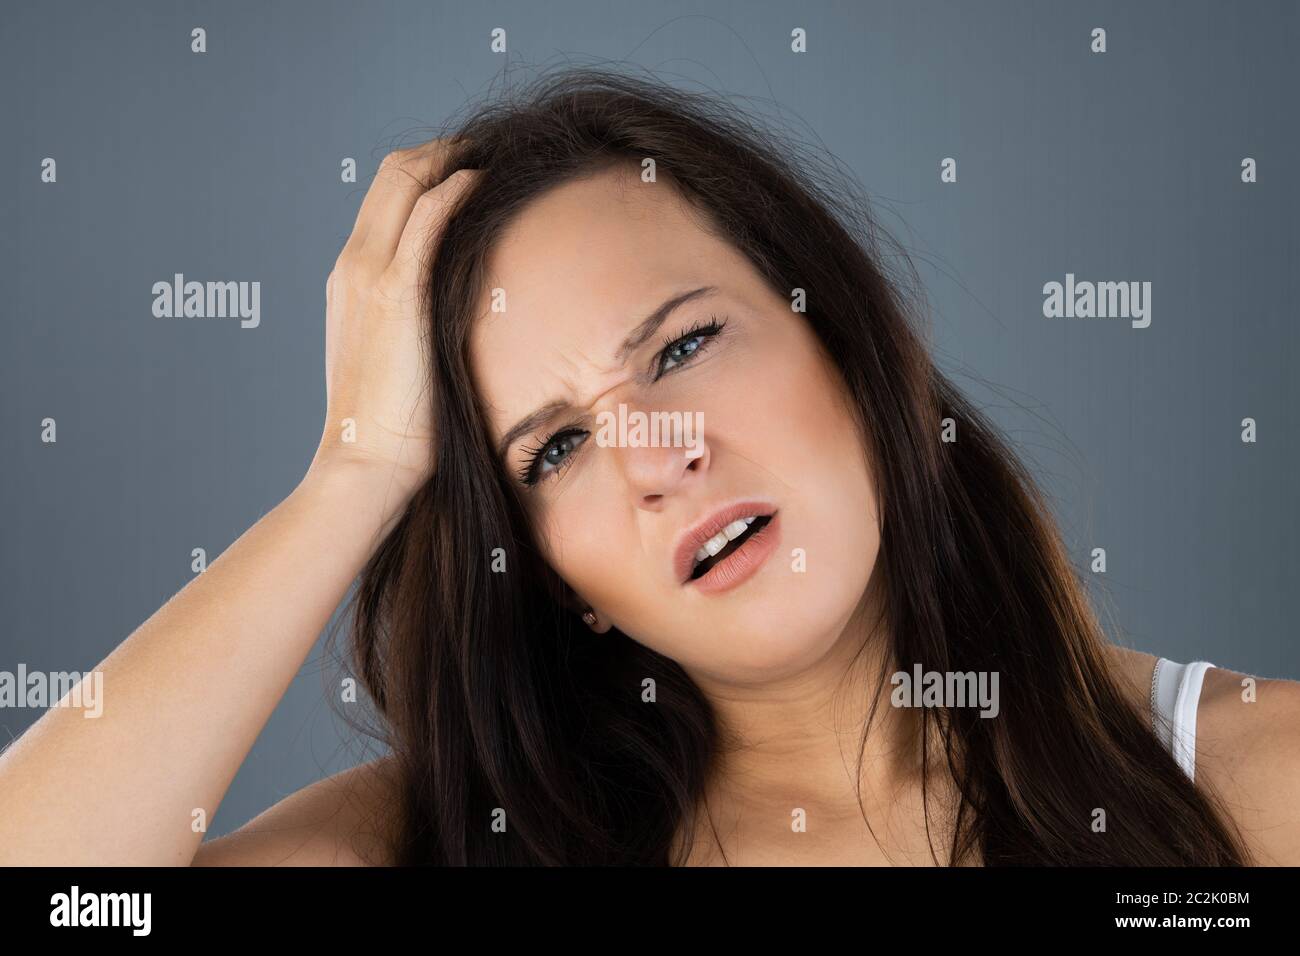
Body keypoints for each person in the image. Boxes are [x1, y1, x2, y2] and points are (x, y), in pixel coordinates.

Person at [2, 68, 1297, 866]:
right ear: (553, 572)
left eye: (679, 346)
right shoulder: (445, 844)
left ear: (858, 339)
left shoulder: (1256, 785)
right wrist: (356, 469)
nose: (653, 455)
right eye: (555, 446)